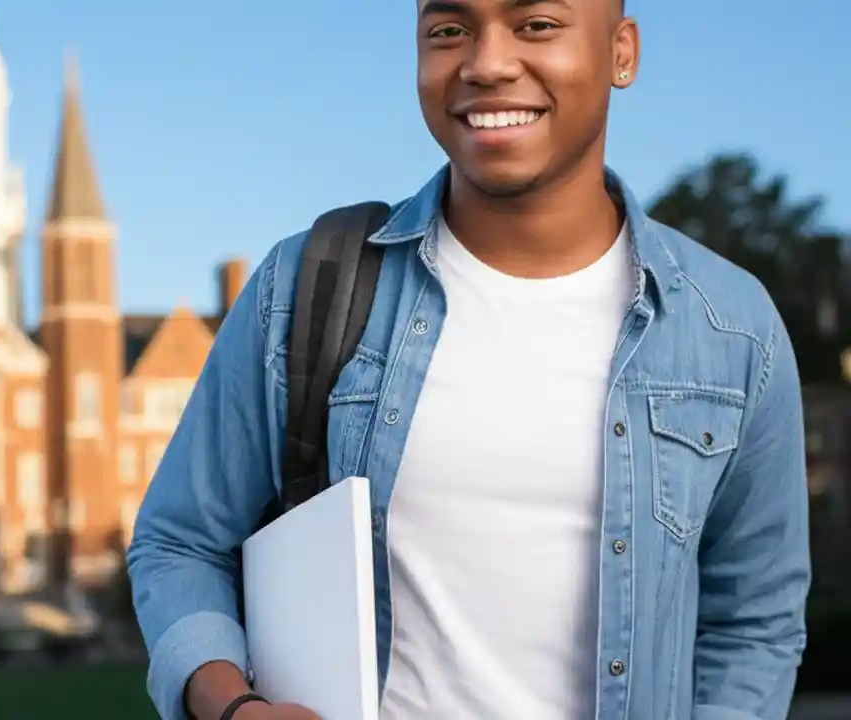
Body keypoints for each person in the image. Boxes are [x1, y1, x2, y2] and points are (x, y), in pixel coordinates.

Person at [126, 0, 811, 718]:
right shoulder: (302, 288)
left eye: (536, 24)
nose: (485, 63)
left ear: (622, 53)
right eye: (448, 30)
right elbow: (179, 543)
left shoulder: (731, 330)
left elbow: (755, 620)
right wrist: (231, 707)